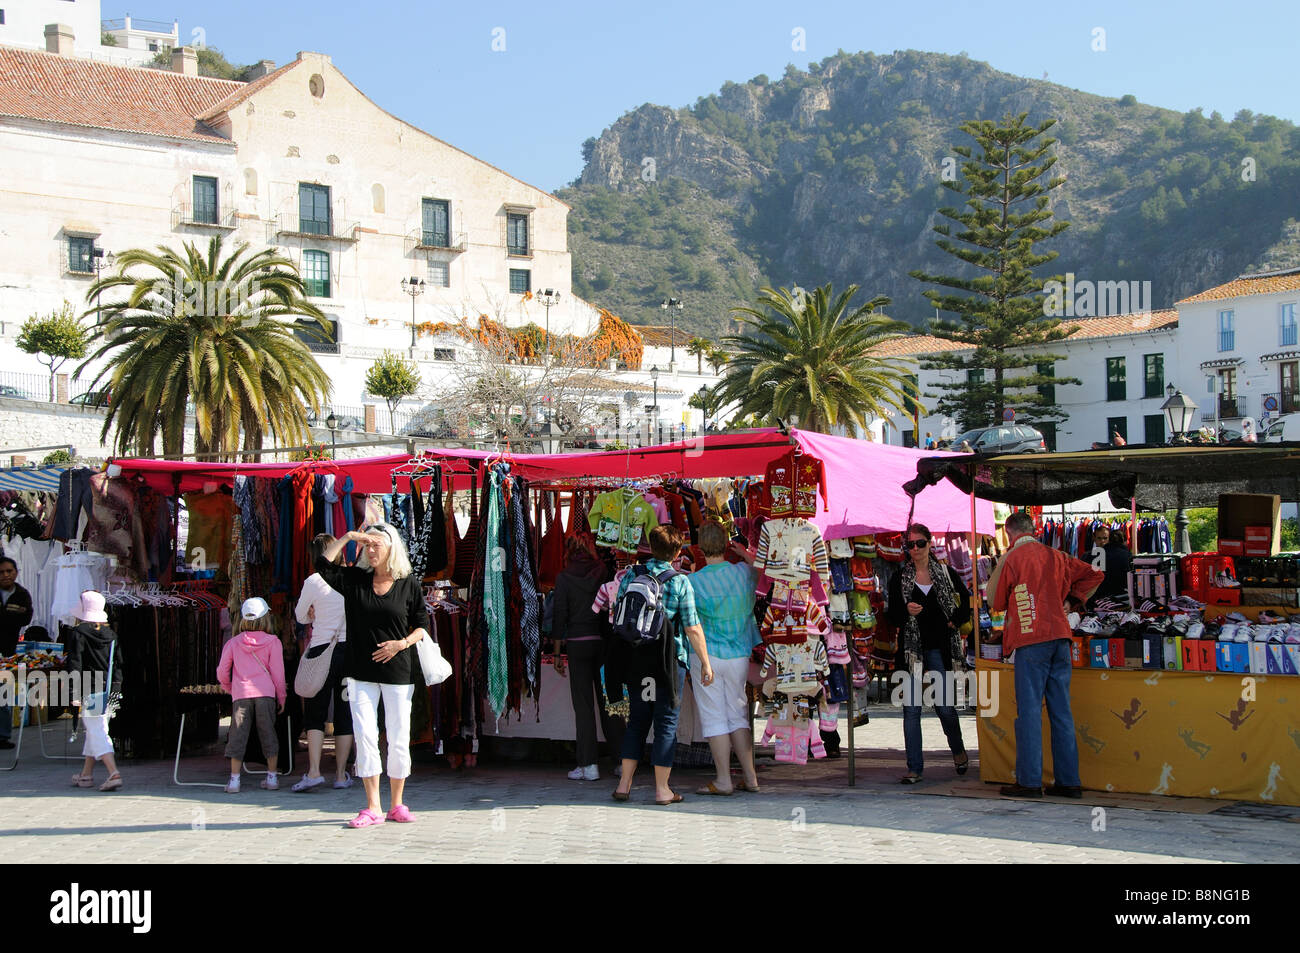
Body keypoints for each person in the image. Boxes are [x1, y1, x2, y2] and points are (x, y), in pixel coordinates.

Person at [318, 526, 431, 828]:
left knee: (398, 737)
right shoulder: (355, 581)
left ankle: (397, 804)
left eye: (376, 545)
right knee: (365, 736)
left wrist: (401, 644)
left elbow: (421, 625)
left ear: (391, 547)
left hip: (398, 670)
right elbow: (322, 566)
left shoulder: (408, 584)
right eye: (367, 546)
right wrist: (348, 538)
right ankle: (372, 807)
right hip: (360, 672)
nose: (371, 550)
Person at [989, 511, 1103, 798]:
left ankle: (1028, 781)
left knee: (1028, 713)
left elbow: (996, 601)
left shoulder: (1013, 558)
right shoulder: (1057, 554)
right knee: (1061, 711)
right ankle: (1069, 781)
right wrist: (1072, 601)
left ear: (1010, 533)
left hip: (1031, 638)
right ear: (1034, 529)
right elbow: (1095, 574)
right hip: (1060, 637)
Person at [611, 525, 713, 805]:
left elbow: (617, 612)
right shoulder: (680, 582)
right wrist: (704, 663)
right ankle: (662, 789)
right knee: (666, 723)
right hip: (667, 662)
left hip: (636, 658)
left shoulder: (631, 574)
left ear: (650, 548)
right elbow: (692, 628)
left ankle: (624, 784)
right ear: (678, 552)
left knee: (637, 722)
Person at [886, 523, 971, 783]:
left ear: (929, 543)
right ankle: (914, 768)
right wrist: (905, 612)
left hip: (940, 648)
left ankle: (958, 750)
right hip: (912, 651)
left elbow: (966, 603)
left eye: (919, 543)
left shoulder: (946, 573)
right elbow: (891, 616)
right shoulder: (900, 576)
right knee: (911, 710)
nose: (915, 549)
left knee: (944, 707)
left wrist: (954, 621)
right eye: (910, 545)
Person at [686, 521, 762, 796]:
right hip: (739, 653)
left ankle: (723, 780)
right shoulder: (743, 573)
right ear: (726, 543)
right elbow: (764, 571)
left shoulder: (694, 581)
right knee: (738, 714)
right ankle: (750, 777)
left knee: (715, 717)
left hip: (708, 655)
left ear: (699, 547)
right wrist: (743, 553)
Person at [551, 532, 622, 781]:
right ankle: (622, 761)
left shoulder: (564, 577)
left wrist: (558, 653)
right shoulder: (603, 571)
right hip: (601, 643)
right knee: (609, 704)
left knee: (583, 707)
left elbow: (560, 615)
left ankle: (589, 765)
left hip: (577, 644)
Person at [291, 534, 354, 792]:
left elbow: (300, 615)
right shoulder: (351, 578)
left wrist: (313, 613)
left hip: (320, 648)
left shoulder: (313, 581)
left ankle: (314, 771)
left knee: (315, 712)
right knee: (344, 713)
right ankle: (340, 774)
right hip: (348, 650)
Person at [216, 597, 287, 793]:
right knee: (268, 733)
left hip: (241, 694)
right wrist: (281, 697)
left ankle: (234, 780)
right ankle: (272, 777)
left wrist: (229, 687)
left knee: (238, 735)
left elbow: (222, 670)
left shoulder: (233, 642)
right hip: (265, 693)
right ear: (266, 618)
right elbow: (278, 674)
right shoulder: (274, 642)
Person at [67, 591, 124, 791]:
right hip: (109, 688)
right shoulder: (111, 635)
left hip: (89, 688)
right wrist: (117, 689)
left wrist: (73, 692)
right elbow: (118, 665)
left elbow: (75, 664)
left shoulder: (79, 633)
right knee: (97, 729)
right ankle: (86, 775)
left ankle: (113, 773)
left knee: (97, 731)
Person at [0, 556, 33, 750]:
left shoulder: (21, 594)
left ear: (15, 572)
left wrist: (8, 616)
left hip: (7, 650)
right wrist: (10, 614)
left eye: (9, 571)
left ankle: (2, 736)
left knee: (3, 694)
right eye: (1, 572)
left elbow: (25, 618)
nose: (5, 575)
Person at [1088, 525, 1131, 602]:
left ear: (1110, 539)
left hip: (1100, 598)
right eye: (1099, 538)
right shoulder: (1090, 556)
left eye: (1105, 538)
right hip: (1111, 597)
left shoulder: (1093, 555)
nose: (1102, 541)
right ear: (1094, 538)